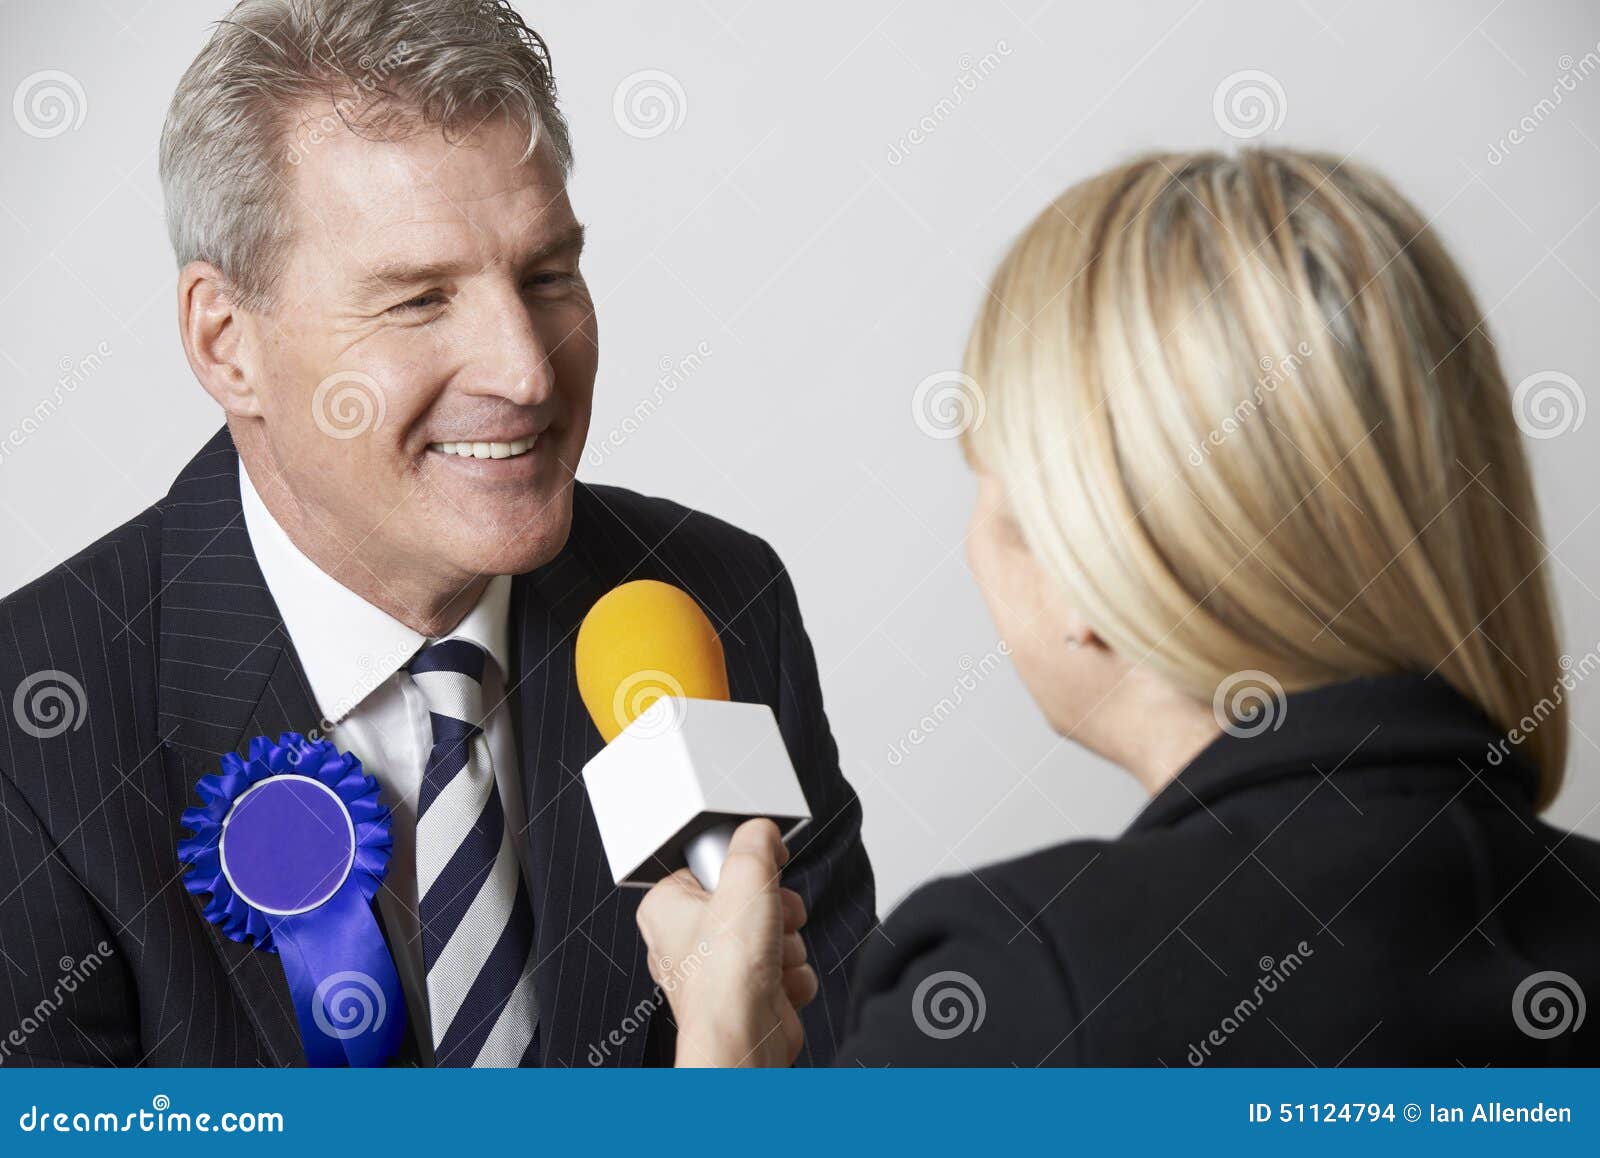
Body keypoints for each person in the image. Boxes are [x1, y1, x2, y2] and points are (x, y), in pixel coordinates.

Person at [0, 0, 874, 1068]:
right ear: (226, 344)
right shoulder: (32, 734)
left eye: (547, 276)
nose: (527, 371)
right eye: (418, 301)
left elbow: (847, 1088)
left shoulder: (717, 602)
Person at [637, 148, 1600, 1067]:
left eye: (994, 486)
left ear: (1087, 568)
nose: (975, 541)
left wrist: (722, 1048)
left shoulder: (1025, 993)